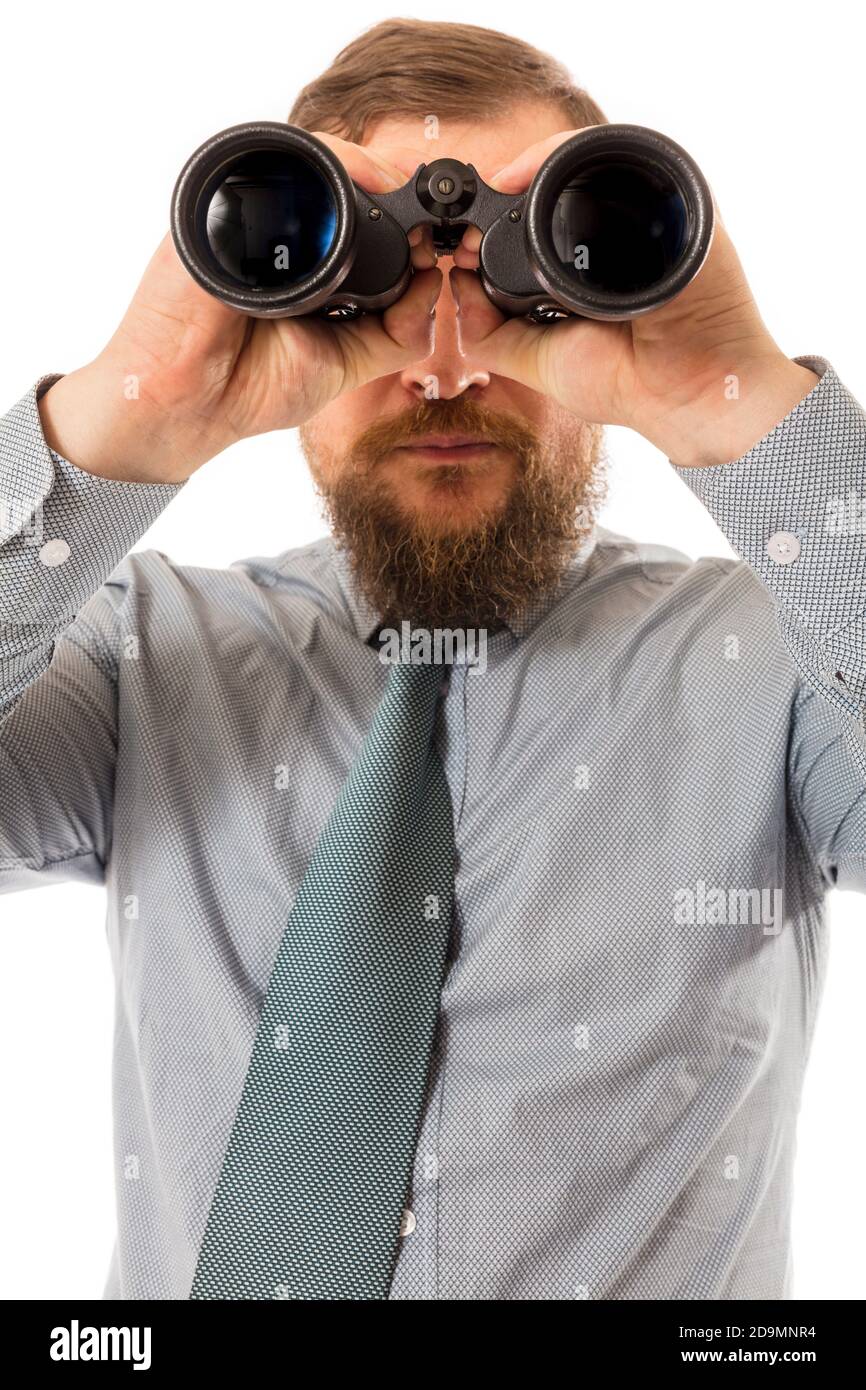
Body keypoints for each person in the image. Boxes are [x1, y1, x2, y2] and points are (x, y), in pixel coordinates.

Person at [2, 17, 863, 1300]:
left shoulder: (784, 663)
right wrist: (130, 404)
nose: (445, 367)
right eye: (370, 285)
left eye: (526, 284)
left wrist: (732, 395)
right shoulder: (128, 658)